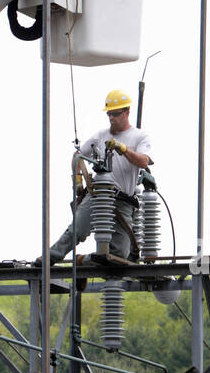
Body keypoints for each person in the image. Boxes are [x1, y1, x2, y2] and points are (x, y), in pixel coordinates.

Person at [47, 89, 152, 263]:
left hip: (123, 201)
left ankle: (84, 261)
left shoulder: (139, 136)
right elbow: (77, 156)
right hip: (98, 195)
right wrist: (78, 180)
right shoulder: (100, 136)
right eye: (109, 114)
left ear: (127, 112)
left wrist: (123, 149)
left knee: (119, 254)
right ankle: (48, 259)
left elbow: (143, 161)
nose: (112, 118)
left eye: (116, 114)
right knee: (77, 230)